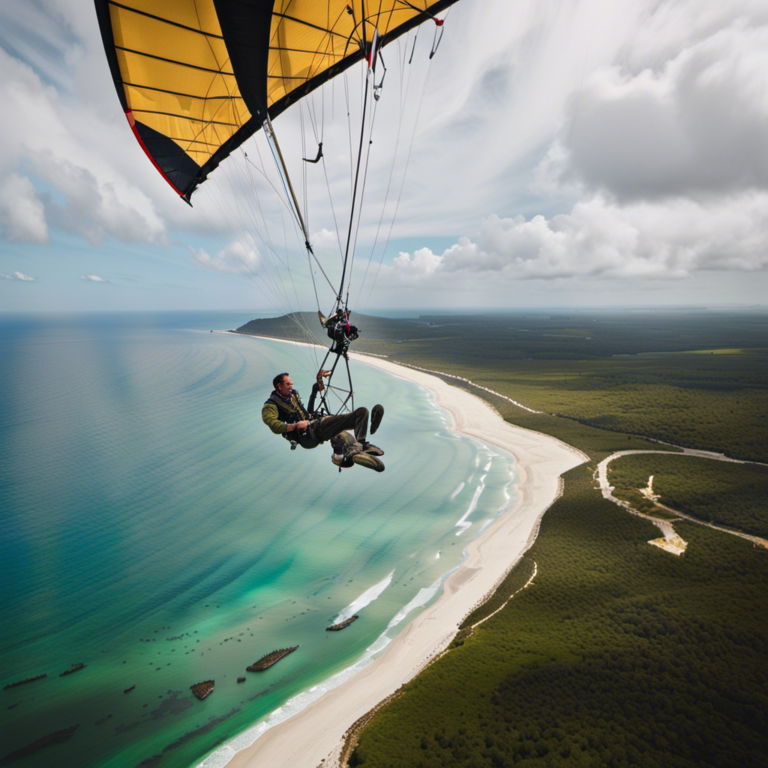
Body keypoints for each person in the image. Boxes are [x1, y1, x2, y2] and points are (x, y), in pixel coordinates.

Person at [262, 370, 384, 464]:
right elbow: (274, 426)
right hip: (307, 436)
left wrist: (318, 382)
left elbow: (317, 393)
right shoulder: (271, 405)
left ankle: (360, 443)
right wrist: (296, 426)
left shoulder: (292, 394)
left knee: (362, 412)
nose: (291, 386)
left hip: (315, 425)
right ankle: (355, 448)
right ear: (279, 386)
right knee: (359, 413)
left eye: (291, 384)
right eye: (288, 384)